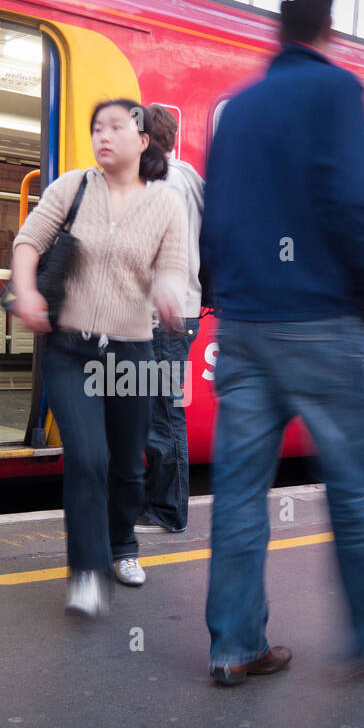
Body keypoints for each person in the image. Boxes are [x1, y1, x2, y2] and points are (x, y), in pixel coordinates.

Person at [199, 0, 364, 686]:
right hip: (319, 322)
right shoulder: (337, 91)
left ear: (279, 28)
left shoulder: (239, 108)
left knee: (241, 492)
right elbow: (347, 203)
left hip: (245, 328)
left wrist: (229, 293)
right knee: (351, 485)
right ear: (327, 28)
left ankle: (234, 647)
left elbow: (214, 220)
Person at [6, 100, 187, 616]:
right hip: (70, 349)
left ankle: (123, 544)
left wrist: (169, 292)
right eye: (96, 128)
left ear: (143, 140)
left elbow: (173, 267)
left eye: (115, 127)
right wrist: (25, 290)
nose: (102, 136)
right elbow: (28, 242)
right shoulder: (71, 187)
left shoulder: (165, 205)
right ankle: (86, 570)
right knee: (89, 459)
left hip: (133, 352)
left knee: (130, 465)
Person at [136, 104, 203, 535]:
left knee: (162, 414)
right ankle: (160, 503)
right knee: (159, 411)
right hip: (183, 310)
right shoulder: (192, 178)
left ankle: (169, 512)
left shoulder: (163, 182)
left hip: (165, 315)